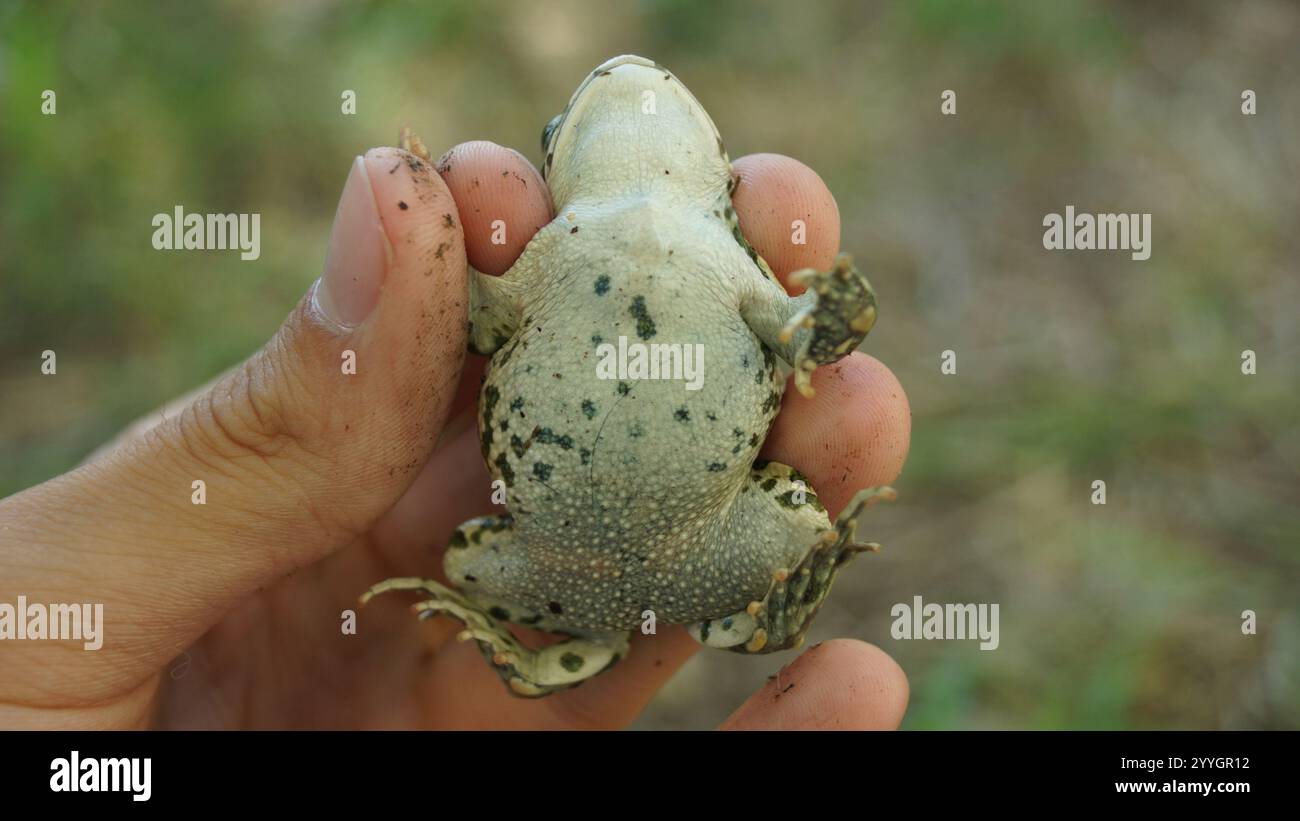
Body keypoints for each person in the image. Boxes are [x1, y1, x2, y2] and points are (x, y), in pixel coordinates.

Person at [0, 140, 912, 729]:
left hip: (612, 550)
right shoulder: (723, 254)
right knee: (801, 507)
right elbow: (823, 330)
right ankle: (642, 627)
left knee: (472, 557)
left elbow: (475, 313)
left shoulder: (579, 251)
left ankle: (576, 639)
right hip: (639, 552)